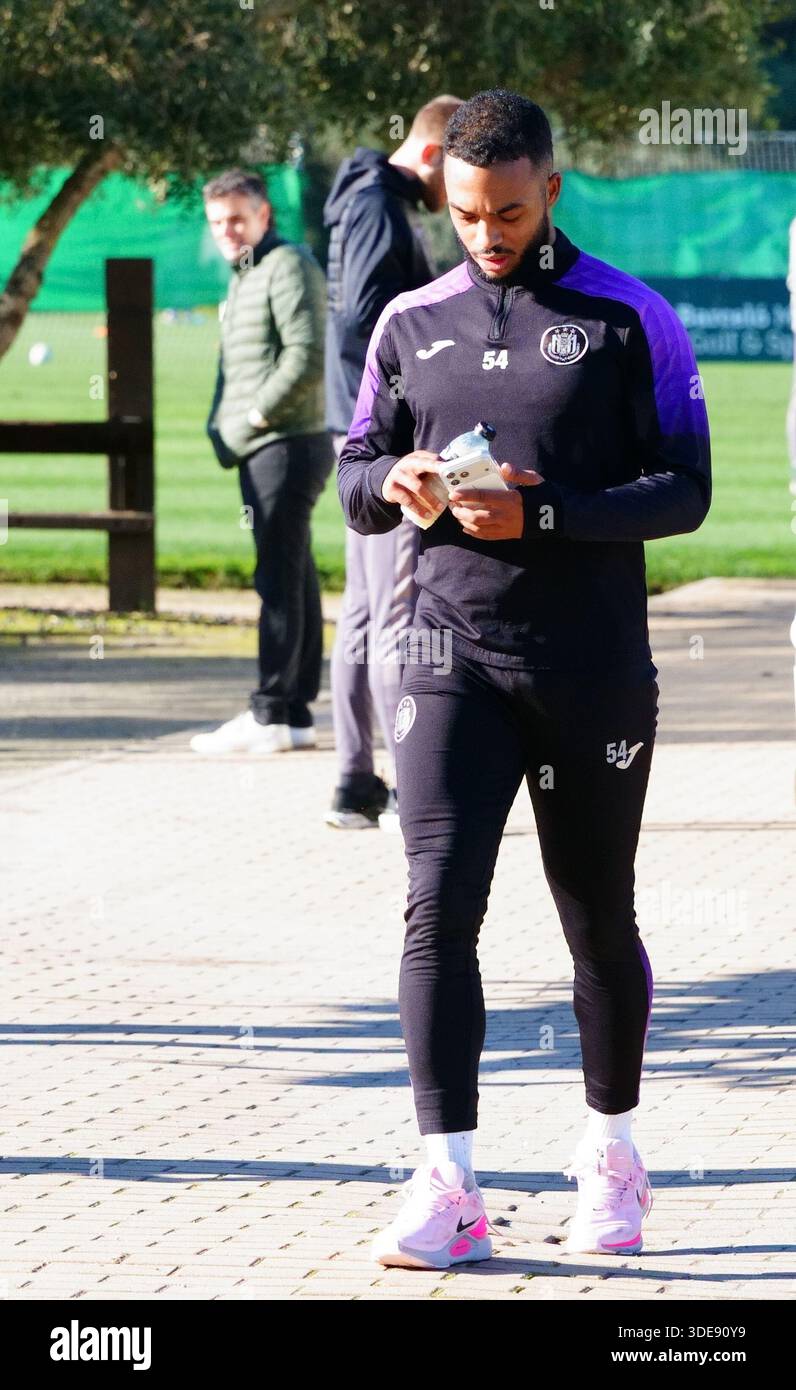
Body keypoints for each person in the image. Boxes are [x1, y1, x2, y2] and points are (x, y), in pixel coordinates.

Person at [337, 89, 711, 1268]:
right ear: (443, 190)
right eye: (464, 211)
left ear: (551, 187)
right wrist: (394, 475)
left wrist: (544, 510)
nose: (486, 232)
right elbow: (350, 470)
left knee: (595, 916)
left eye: (506, 209)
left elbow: (686, 492)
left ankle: (611, 1153)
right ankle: (445, 1179)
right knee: (437, 905)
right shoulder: (409, 320)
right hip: (443, 655)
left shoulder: (628, 318)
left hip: (590, 667)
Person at [323, 96, 463, 830]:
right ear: (435, 153)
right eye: (460, 166)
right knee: (397, 612)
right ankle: (412, 782)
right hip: (381, 437)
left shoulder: (365, 197)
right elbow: (370, 318)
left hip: (353, 427)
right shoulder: (382, 205)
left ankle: (355, 782)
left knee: (363, 609)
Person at [191, 169, 332, 755]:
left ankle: (272, 710)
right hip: (264, 446)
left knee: (277, 577)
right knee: (291, 572)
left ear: (263, 215)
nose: (228, 230)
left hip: (287, 444)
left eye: (237, 219)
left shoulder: (286, 265)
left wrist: (252, 419)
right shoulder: (244, 276)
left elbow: (307, 356)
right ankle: (294, 713)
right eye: (218, 221)